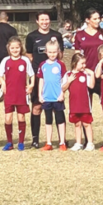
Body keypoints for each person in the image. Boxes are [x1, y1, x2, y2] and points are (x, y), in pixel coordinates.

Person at [25, 11, 64, 148]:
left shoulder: (57, 35)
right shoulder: (31, 37)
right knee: (36, 107)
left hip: (53, 77)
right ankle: (35, 139)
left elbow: (61, 55)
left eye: (47, 19)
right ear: (37, 21)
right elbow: (29, 55)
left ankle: (61, 140)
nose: (44, 22)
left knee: (57, 108)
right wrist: (37, 71)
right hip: (38, 77)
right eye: (42, 20)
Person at [0, 36, 34, 151]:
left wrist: (31, 85)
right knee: (8, 118)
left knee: (21, 117)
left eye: (17, 47)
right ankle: (9, 142)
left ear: (21, 47)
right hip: (9, 94)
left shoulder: (25, 60)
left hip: (21, 94)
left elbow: (32, 75)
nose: (15, 50)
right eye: (12, 48)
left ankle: (21, 142)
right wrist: (3, 83)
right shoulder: (6, 60)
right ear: (8, 49)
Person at [37, 40, 67, 150]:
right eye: (50, 52)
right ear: (46, 52)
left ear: (58, 51)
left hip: (57, 97)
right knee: (48, 120)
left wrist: (62, 93)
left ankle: (62, 142)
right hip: (46, 97)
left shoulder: (60, 65)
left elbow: (64, 80)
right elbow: (41, 80)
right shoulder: (43, 65)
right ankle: (48, 143)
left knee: (60, 119)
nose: (52, 54)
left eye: (54, 52)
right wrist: (40, 95)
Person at [74, 8, 103, 100]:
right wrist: (81, 70)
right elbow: (77, 56)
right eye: (95, 19)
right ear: (87, 20)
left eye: (99, 18)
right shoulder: (79, 35)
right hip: (87, 73)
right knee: (86, 106)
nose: (98, 21)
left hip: (102, 73)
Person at [63, 52, 95, 151]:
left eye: (85, 63)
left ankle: (90, 143)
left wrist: (92, 74)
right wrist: (69, 81)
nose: (84, 66)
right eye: (82, 63)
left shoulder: (85, 74)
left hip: (84, 105)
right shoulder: (68, 74)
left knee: (87, 123)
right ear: (74, 63)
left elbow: (91, 86)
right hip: (74, 105)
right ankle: (78, 143)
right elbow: (63, 88)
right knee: (77, 124)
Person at [0, 12, 18, 78]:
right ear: (7, 18)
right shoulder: (12, 29)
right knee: (8, 72)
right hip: (8, 53)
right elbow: (16, 42)